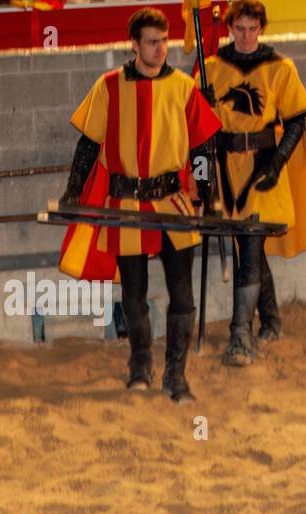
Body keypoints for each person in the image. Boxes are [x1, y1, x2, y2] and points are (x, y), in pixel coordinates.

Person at [57, 7, 222, 404]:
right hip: (126, 202)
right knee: (134, 293)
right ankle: (140, 364)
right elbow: (89, 143)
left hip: (172, 200)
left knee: (182, 294)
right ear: (134, 44)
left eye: (164, 40)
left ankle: (176, 376)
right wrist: (73, 189)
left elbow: (202, 145)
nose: (161, 48)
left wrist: (209, 194)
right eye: (152, 41)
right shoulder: (110, 85)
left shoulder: (183, 86)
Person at [198, 0, 306, 367]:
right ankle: (273, 320)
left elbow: (296, 121)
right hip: (225, 166)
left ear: (261, 28)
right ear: (231, 27)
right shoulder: (212, 68)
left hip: (264, 167)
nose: (246, 36)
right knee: (248, 247)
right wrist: (201, 104)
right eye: (239, 28)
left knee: (249, 245)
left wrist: (278, 163)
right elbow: (199, 130)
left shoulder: (280, 67)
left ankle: (240, 335)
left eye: (253, 28)